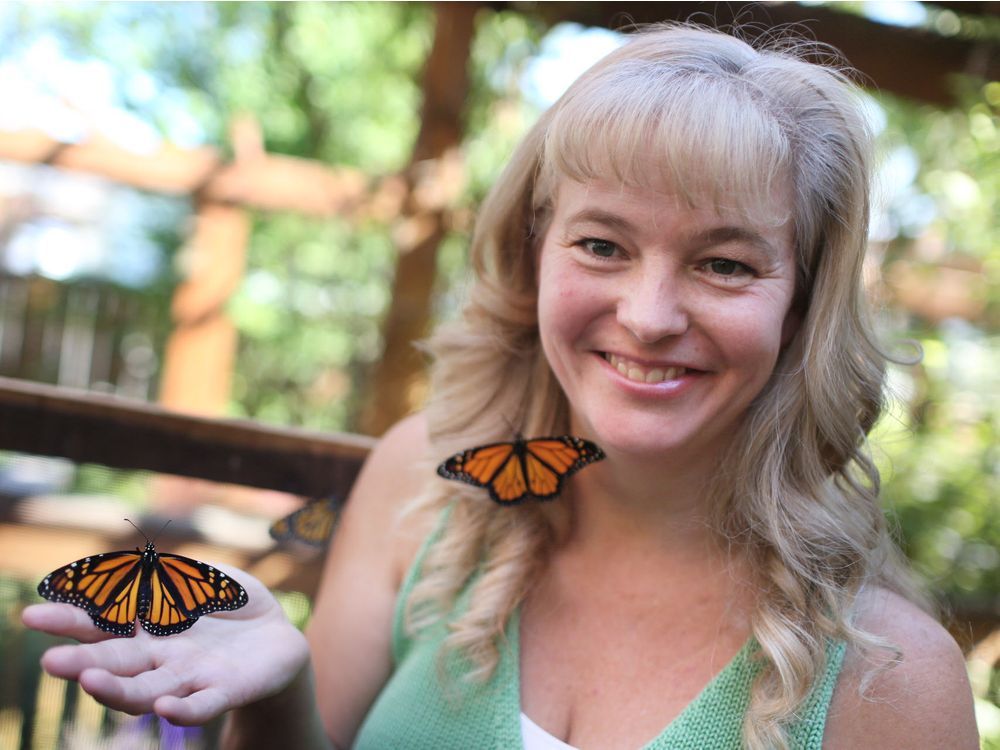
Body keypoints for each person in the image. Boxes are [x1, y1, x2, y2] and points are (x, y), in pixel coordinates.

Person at [22, 23, 979, 750]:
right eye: (601, 245)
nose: (649, 315)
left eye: (724, 264)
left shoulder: (893, 682)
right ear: (533, 255)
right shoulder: (423, 479)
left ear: (803, 307)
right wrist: (274, 699)